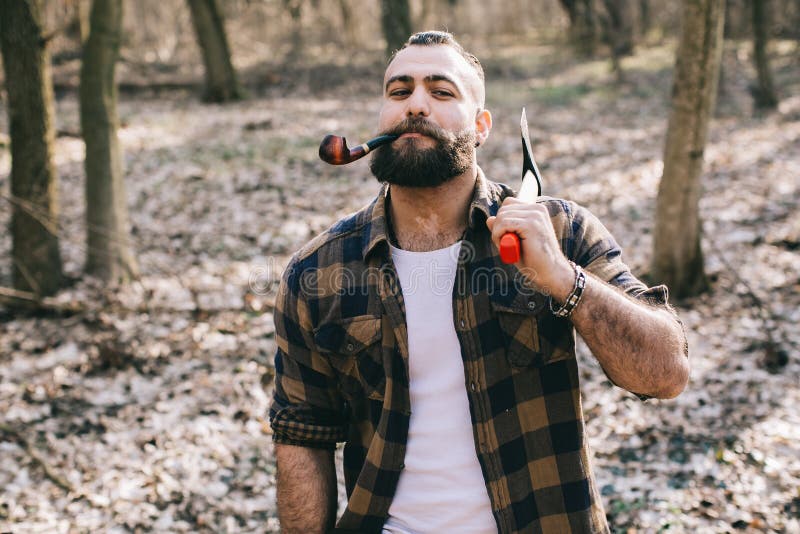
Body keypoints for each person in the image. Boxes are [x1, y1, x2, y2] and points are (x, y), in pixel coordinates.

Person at [269, 31, 689, 534]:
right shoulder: (317, 272)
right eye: (399, 92)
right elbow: (302, 435)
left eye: (441, 92)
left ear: (481, 126)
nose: (415, 106)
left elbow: (665, 374)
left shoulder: (560, 231)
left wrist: (563, 279)